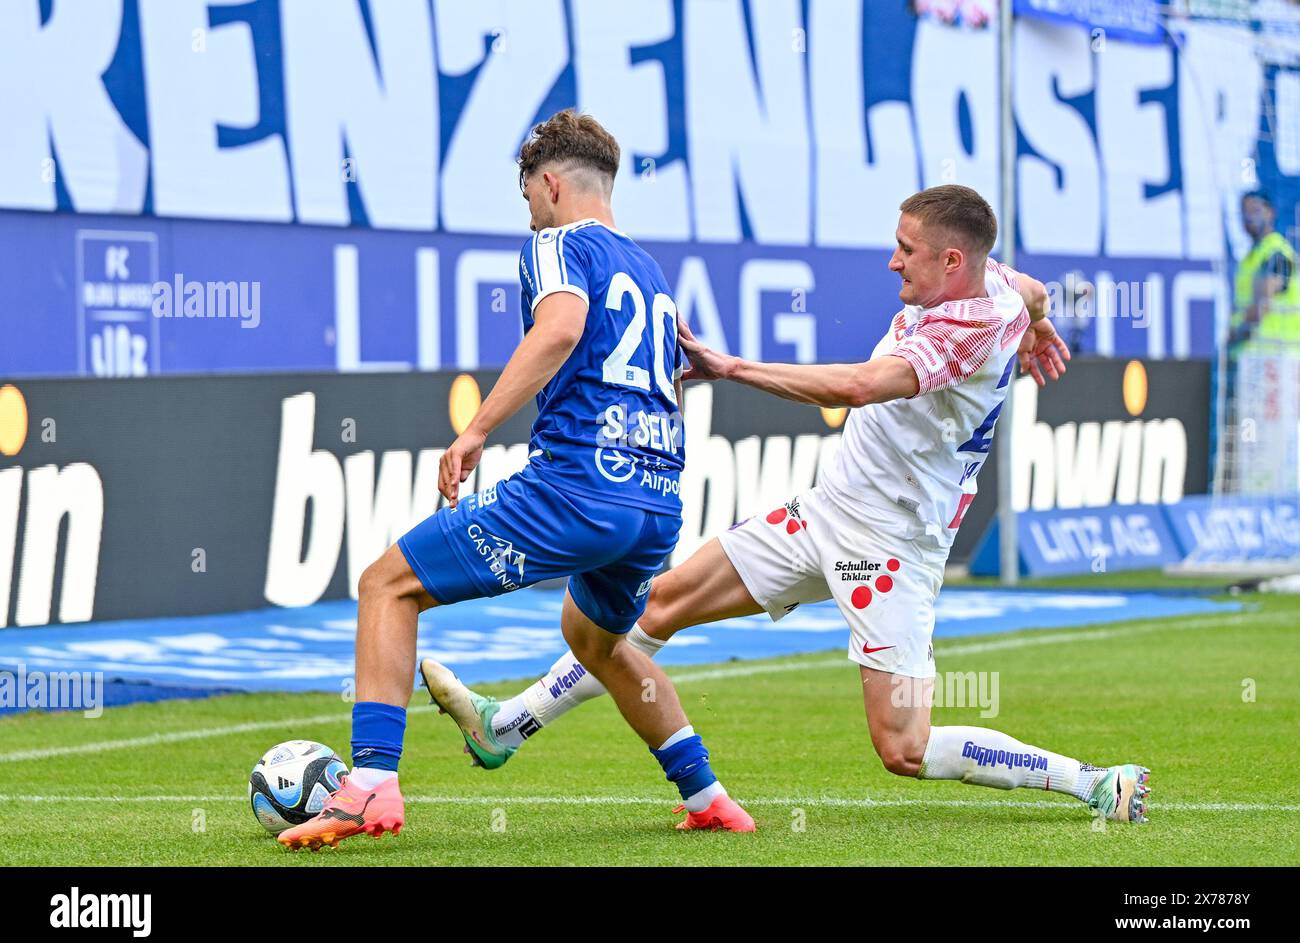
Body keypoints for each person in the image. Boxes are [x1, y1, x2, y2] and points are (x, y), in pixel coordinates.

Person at [427, 184, 1153, 825]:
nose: (893, 262)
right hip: (827, 512)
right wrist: (1043, 325)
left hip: (893, 544)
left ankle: (1089, 781)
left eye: (906, 250)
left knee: (902, 747)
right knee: (652, 609)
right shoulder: (991, 282)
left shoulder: (964, 331)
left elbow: (859, 387)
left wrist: (733, 366)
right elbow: (1031, 291)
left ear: (950, 263)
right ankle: (507, 726)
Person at [278, 109, 755, 850]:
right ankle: (708, 793)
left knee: (387, 585)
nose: (529, 209)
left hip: (577, 487)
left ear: (552, 184)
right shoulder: (651, 270)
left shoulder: (557, 244)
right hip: (656, 499)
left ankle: (369, 783)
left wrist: (475, 430)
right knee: (595, 640)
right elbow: (674, 379)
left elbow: (559, 327)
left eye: (529, 193)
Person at [1228, 191, 1298, 351]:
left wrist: (1234, 337)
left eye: (1255, 210)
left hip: (1276, 352)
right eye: (1244, 211)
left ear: (1270, 213)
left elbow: (1262, 305)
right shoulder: (1250, 258)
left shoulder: (1275, 252)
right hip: (1255, 352)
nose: (1248, 217)